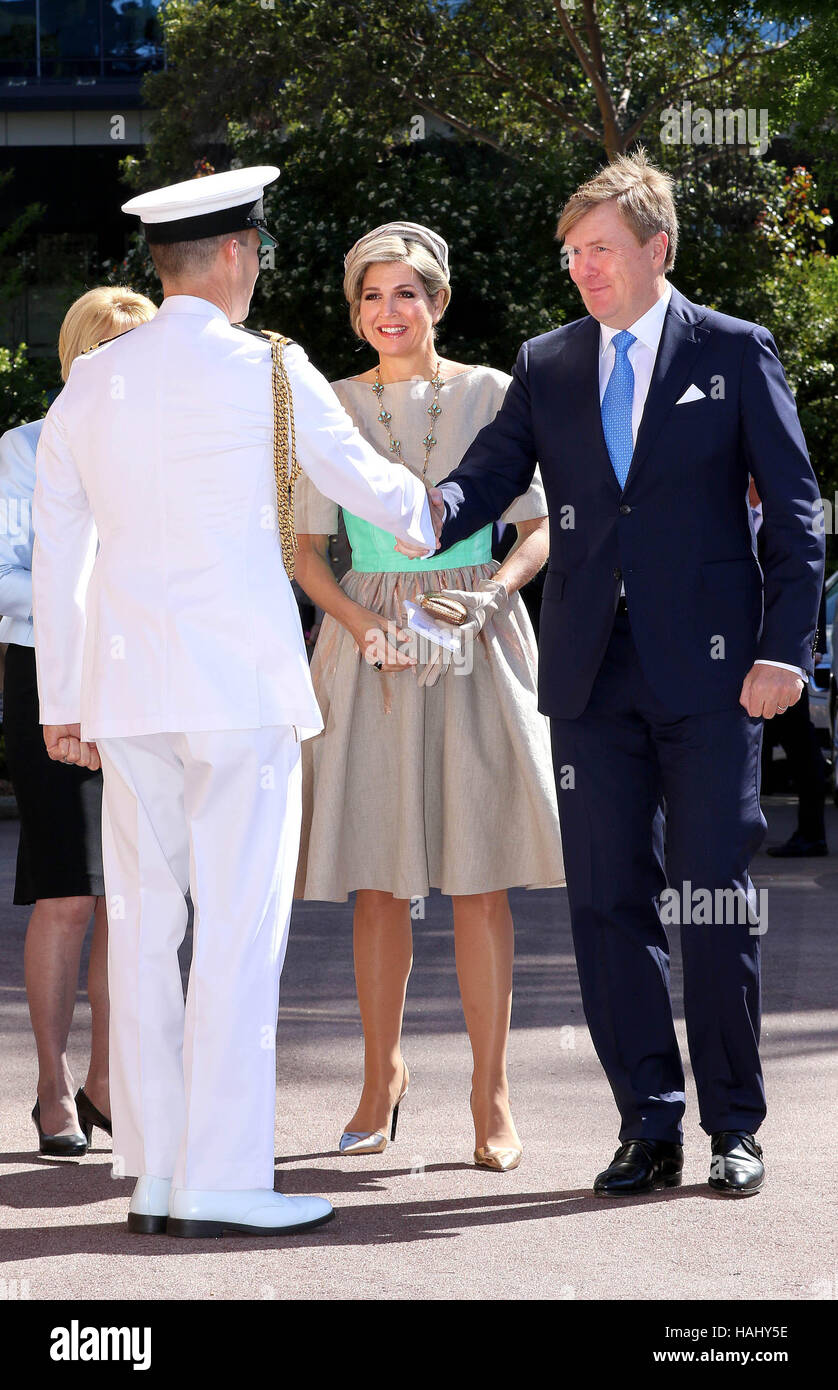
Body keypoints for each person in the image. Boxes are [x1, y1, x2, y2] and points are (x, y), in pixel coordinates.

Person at [32, 166, 440, 1239]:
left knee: (145, 925)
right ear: (233, 256)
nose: (256, 265)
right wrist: (433, 510)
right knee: (237, 934)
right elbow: (362, 482)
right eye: (254, 250)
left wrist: (61, 698)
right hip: (239, 686)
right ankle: (224, 1178)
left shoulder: (92, 383)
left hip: (129, 692)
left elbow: (64, 545)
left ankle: (158, 1175)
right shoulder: (267, 367)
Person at [429, 151, 824, 1197]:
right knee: (607, 903)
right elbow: (491, 473)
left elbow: (792, 516)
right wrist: (423, 511)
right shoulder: (548, 361)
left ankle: (733, 1122)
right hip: (586, 677)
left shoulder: (735, 351)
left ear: (658, 247)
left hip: (712, 678)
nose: (582, 269)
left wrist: (785, 650)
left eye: (599, 249)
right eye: (572, 254)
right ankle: (647, 1123)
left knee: (710, 895)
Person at [294, 222, 563, 1171]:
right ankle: (380, 1078)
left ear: (439, 301)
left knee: (480, 878)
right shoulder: (324, 403)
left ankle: (492, 1097)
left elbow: (534, 529)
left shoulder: (495, 390)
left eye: (406, 293)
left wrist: (491, 592)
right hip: (367, 647)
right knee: (378, 877)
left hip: (474, 633)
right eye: (370, 295)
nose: (387, 312)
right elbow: (306, 551)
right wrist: (361, 626)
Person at [1, 286, 157, 1156]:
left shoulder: (162, 453)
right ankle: (51, 1082)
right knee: (67, 891)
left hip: (145, 680)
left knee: (128, 894)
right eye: (107, 351)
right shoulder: (20, 453)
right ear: (75, 357)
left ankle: (107, 1080)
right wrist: (87, 592)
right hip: (49, 676)